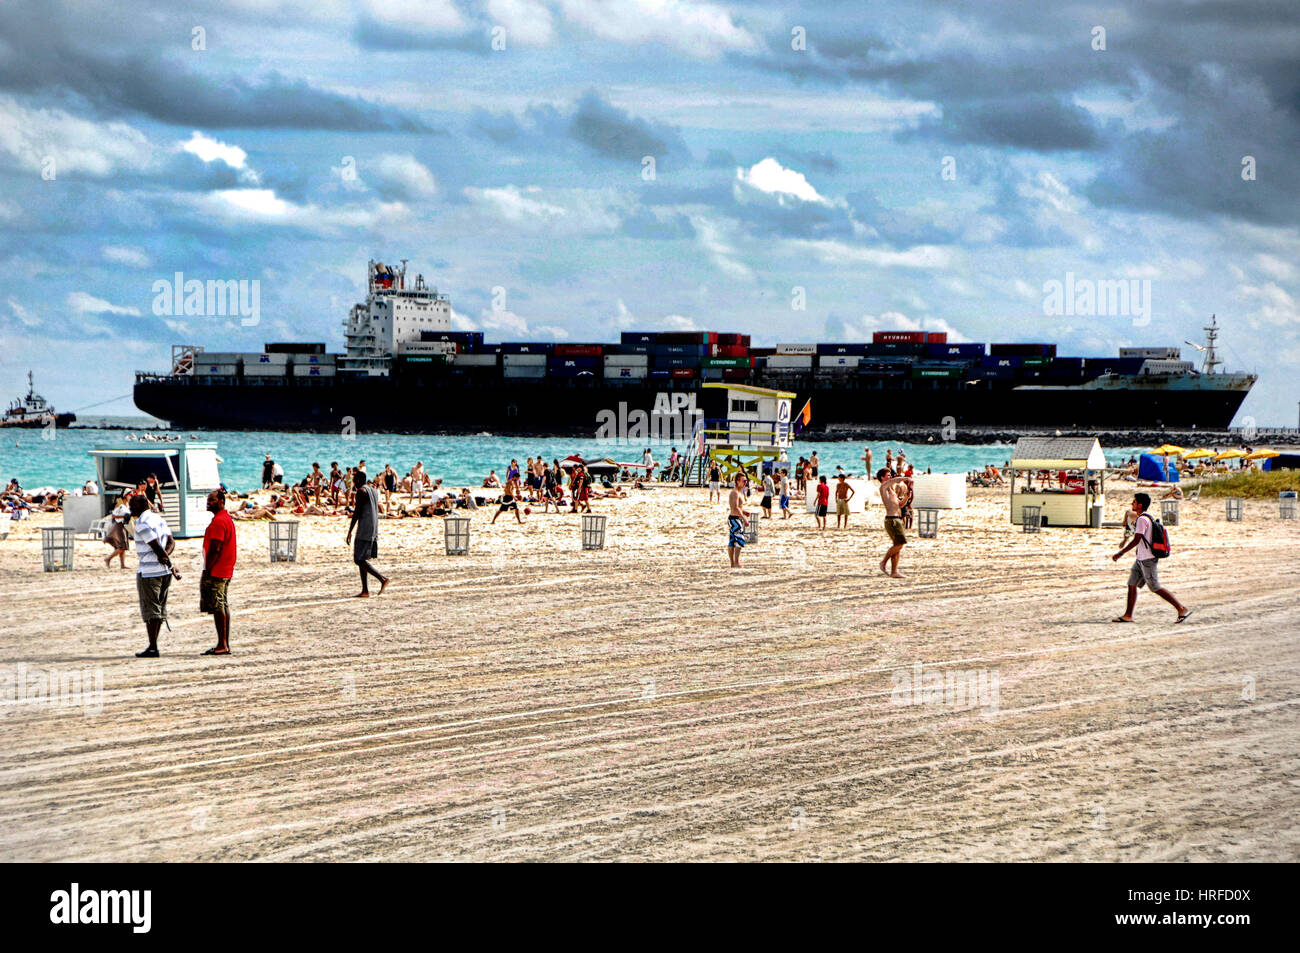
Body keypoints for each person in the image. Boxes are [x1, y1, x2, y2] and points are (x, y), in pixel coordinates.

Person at [1112, 493, 1191, 623]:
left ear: (1140, 505)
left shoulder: (1142, 519)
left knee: (1154, 586)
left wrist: (1121, 553)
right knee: (1132, 583)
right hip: (1141, 559)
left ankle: (1181, 608)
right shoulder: (1145, 518)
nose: (1132, 504)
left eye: (1134, 502)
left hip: (1148, 559)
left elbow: (1137, 539)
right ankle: (1128, 615)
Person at [130, 494, 177, 658]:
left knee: (151, 610)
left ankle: (153, 647)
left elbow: (155, 544)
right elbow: (171, 541)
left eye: (132, 505)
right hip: (164, 572)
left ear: (139, 506)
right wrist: (167, 558)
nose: (130, 508)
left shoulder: (142, 524)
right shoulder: (159, 519)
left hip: (149, 573)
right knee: (159, 608)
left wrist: (162, 556)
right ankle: (153, 645)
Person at [200, 489, 237, 656]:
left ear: (221, 501)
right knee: (222, 604)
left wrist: (207, 570)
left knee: (218, 606)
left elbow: (216, 548)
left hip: (218, 570)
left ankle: (222, 644)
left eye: (213, 500)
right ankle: (223, 643)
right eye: (208, 499)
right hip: (224, 569)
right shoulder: (224, 519)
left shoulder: (219, 522)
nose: (209, 502)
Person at [346, 469, 389, 597]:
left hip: (364, 528)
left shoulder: (361, 491)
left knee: (358, 559)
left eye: (354, 481)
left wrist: (349, 531)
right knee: (362, 557)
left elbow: (357, 513)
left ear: (358, 480)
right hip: (373, 527)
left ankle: (382, 579)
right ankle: (365, 590)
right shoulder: (373, 491)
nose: (353, 483)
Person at [877, 469, 912, 578]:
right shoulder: (883, 487)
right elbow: (894, 480)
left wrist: (906, 497)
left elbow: (899, 505)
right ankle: (883, 562)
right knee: (900, 544)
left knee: (897, 546)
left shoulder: (892, 490)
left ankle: (894, 571)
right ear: (882, 478)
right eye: (888, 475)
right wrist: (905, 478)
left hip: (897, 518)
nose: (890, 477)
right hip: (892, 520)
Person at [727, 472, 750, 569]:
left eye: (746, 481)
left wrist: (744, 512)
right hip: (735, 519)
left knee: (733, 540)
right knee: (739, 540)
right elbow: (735, 508)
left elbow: (737, 507)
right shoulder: (735, 492)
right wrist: (744, 518)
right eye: (743, 481)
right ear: (737, 481)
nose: (745, 483)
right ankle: (736, 562)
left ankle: (733, 563)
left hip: (735, 518)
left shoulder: (739, 492)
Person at [104, 491, 132, 568]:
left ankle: (122, 564)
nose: (131, 496)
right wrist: (123, 517)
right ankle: (108, 559)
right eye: (130, 495)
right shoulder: (120, 505)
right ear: (126, 495)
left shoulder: (127, 505)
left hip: (123, 526)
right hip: (119, 526)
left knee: (122, 546)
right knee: (122, 547)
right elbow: (114, 515)